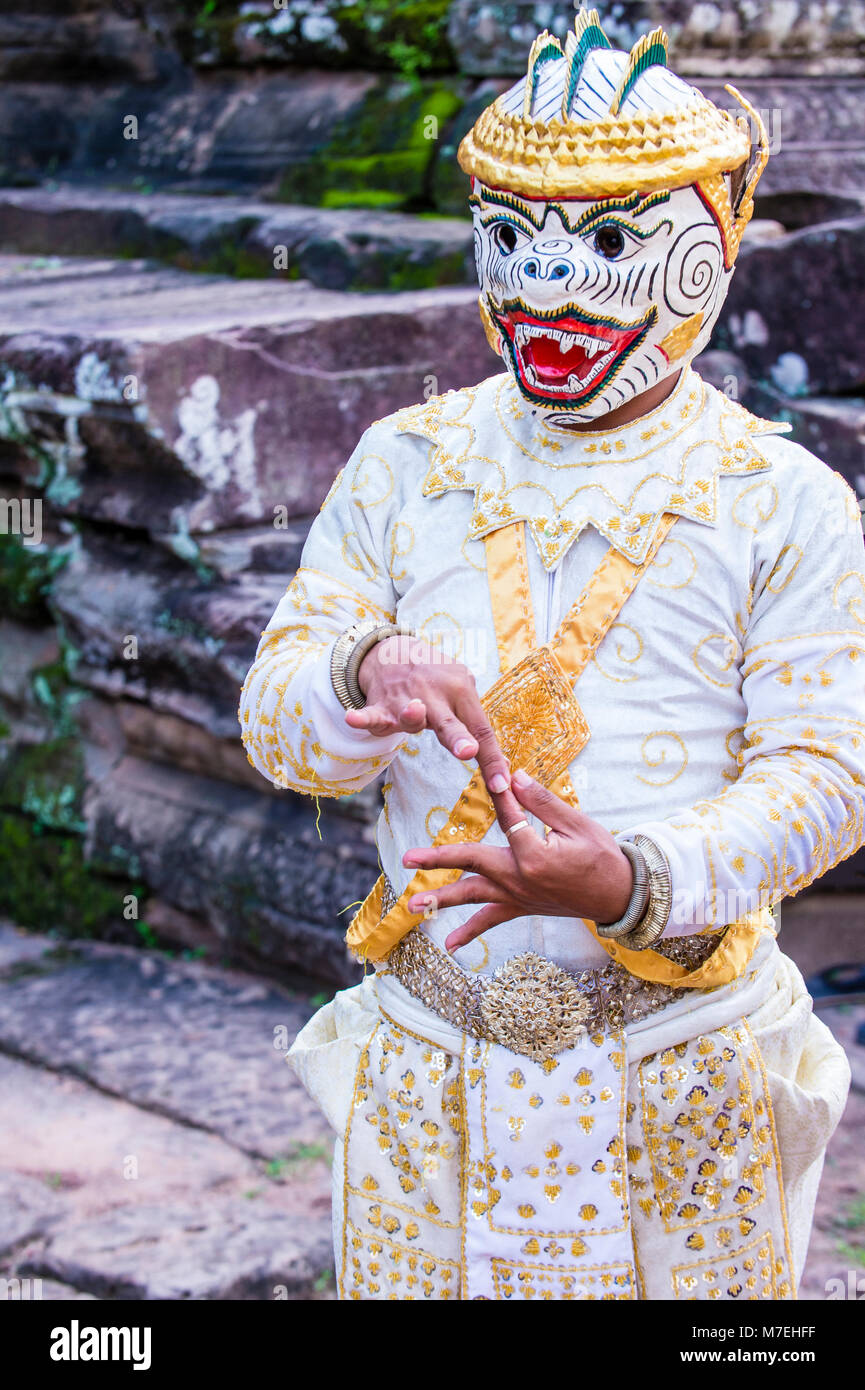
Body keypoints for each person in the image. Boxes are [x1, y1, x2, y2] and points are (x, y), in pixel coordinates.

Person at [238, 11, 863, 1300]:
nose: (542, 290)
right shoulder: (408, 461)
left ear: (714, 246)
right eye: (512, 236)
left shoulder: (783, 498)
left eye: (613, 242)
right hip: (431, 1063)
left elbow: (832, 776)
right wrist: (357, 678)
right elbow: (275, 722)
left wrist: (630, 877)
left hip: (682, 1076)